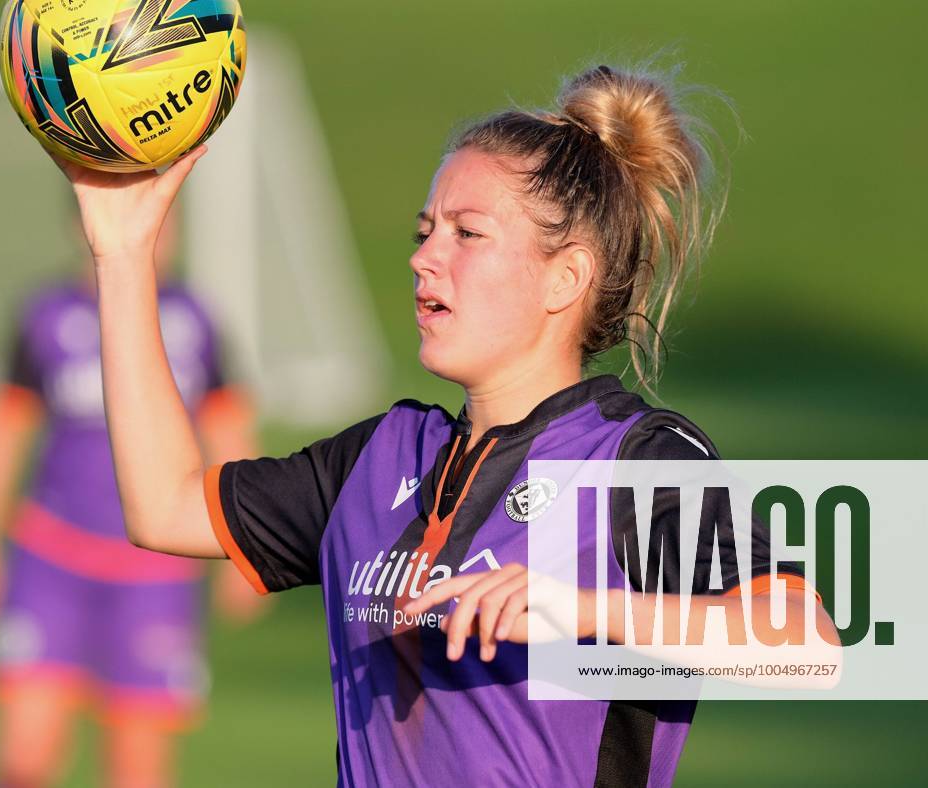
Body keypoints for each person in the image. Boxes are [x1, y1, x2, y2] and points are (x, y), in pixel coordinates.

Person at [50, 64, 838, 786]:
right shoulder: (380, 457)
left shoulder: (637, 459)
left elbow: (807, 646)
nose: (426, 257)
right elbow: (164, 506)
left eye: (467, 233)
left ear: (565, 278)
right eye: (424, 230)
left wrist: (579, 607)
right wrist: (124, 255)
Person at [0, 209, 267, 788]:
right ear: (82, 225)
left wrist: (248, 555)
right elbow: (0, 437)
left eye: (163, 223)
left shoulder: (196, 323)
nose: (151, 235)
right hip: (50, 559)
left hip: (156, 574)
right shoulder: (45, 316)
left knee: (136, 768)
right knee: (24, 754)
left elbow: (230, 436)